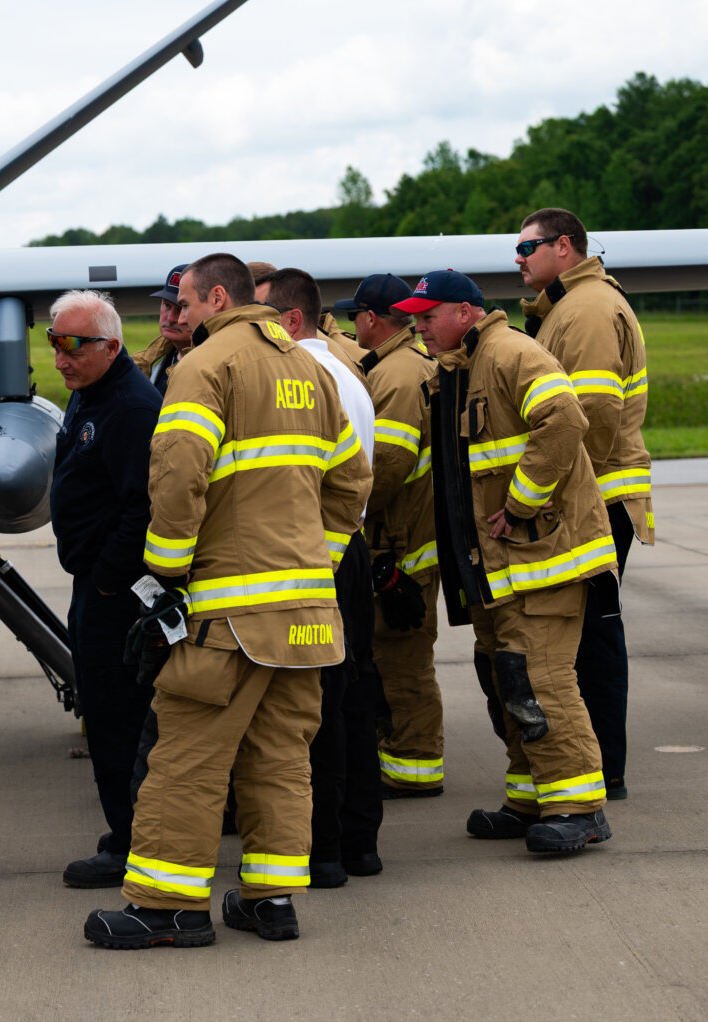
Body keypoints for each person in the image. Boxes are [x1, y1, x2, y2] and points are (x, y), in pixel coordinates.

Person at [84, 253, 370, 949]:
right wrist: (318, 561)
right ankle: (270, 903)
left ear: (217, 297)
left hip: (229, 615)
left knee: (186, 756)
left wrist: (167, 573)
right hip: (306, 615)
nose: (176, 313)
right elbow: (353, 481)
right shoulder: (311, 366)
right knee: (280, 757)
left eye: (182, 299)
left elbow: (179, 474)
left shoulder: (205, 368)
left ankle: (165, 911)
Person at [396, 270, 615, 853]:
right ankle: (530, 797)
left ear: (466, 312)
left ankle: (578, 808)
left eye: (429, 313)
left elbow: (566, 420)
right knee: (504, 681)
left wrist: (522, 501)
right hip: (497, 569)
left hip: (545, 561)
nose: (419, 324)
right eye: (415, 315)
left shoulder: (513, 353)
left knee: (539, 680)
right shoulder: (457, 370)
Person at [516, 208, 652, 801]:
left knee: (592, 633)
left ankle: (604, 770)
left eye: (527, 248)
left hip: (594, 491)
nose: (517, 259)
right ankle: (600, 763)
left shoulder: (589, 309)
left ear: (564, 246)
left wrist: (553, 494)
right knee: (591, 630)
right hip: (591, 489)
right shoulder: (568, 306)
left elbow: (593, 415)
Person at [254, 268, 381, 887]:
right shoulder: (346, 373)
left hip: (315, 557)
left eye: (260, 317)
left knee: (313, 711)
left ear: (291, 321)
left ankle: (323, 851)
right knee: (353, 701)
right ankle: (359, 844)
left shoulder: (300, 376)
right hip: (346, 550)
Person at [48, 290, 163, 888]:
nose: (61, 358)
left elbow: (142, 506)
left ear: (111, 346)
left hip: (115, 591)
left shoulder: (130, 407)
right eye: (54, 343)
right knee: (105, 712)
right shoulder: (91, 394)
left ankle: (129, 844)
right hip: (95, 580)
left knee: (117, 718)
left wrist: (111, 582)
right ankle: (127, 828)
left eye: (73, 344)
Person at [336, 274, 444, 800]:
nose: (353, 326)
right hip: (403, 539)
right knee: (393, 658)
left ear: (372, 320)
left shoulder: (399, 375)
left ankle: (415, 766)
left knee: (402, 660)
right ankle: (403, 756)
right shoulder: (400, 365)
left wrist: (339, 510)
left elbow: (387, 467)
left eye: (356, 317)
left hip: (401, 545)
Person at [132, 264, 194, 395]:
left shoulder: (212, 365)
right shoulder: (145, 361)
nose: (171, 318)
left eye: (181, 308)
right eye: (166, 305)